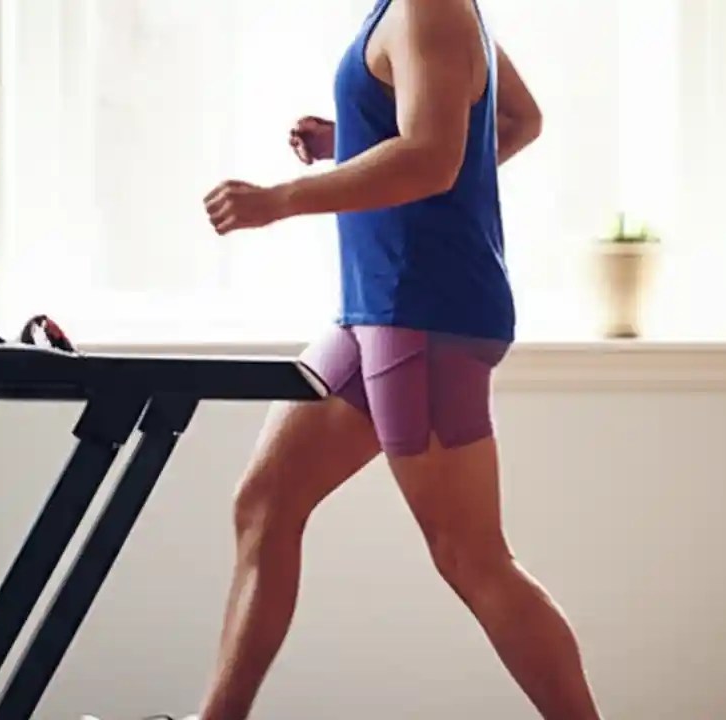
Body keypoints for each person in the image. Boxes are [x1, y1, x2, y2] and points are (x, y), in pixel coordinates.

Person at [187, 0, 605, 718]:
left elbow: (433, 156)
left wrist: (280, 200)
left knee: (472, 556)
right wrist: (356, 137)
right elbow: (508, 123)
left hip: (422, 312)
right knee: (265, 504)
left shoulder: (429, 7)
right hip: (378, 310)